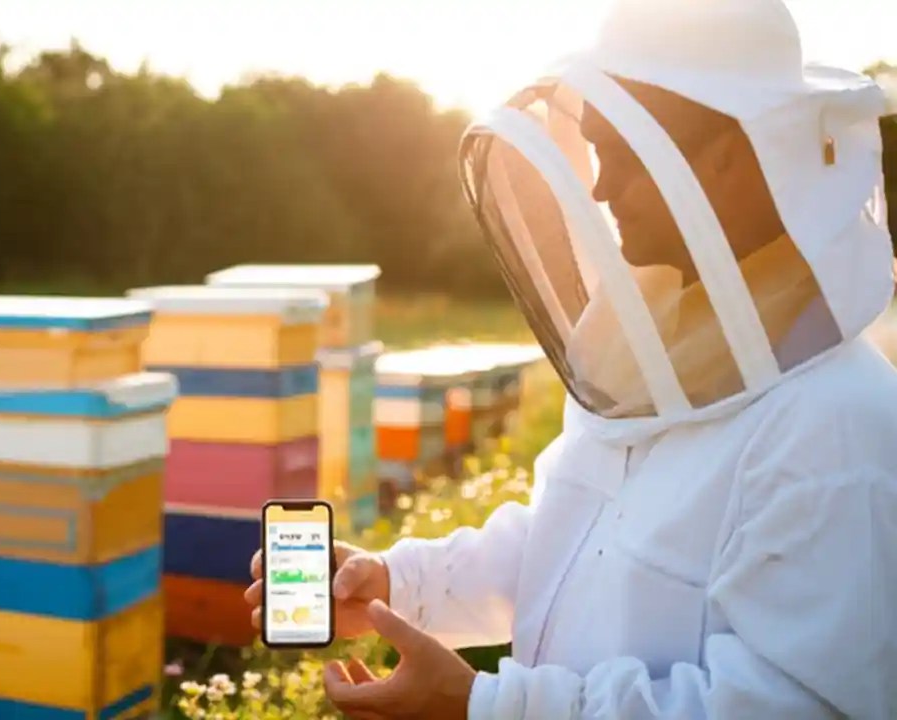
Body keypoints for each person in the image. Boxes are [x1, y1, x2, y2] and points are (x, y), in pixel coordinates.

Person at [244, 0, 897, 717]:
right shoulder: (648, 345)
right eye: (597, 150)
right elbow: (575, 536)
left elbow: (795, 706)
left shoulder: (839, 426)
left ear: (732, 153)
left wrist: (482, 706)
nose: (600, 186)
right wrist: (397, 584)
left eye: (625, 153)